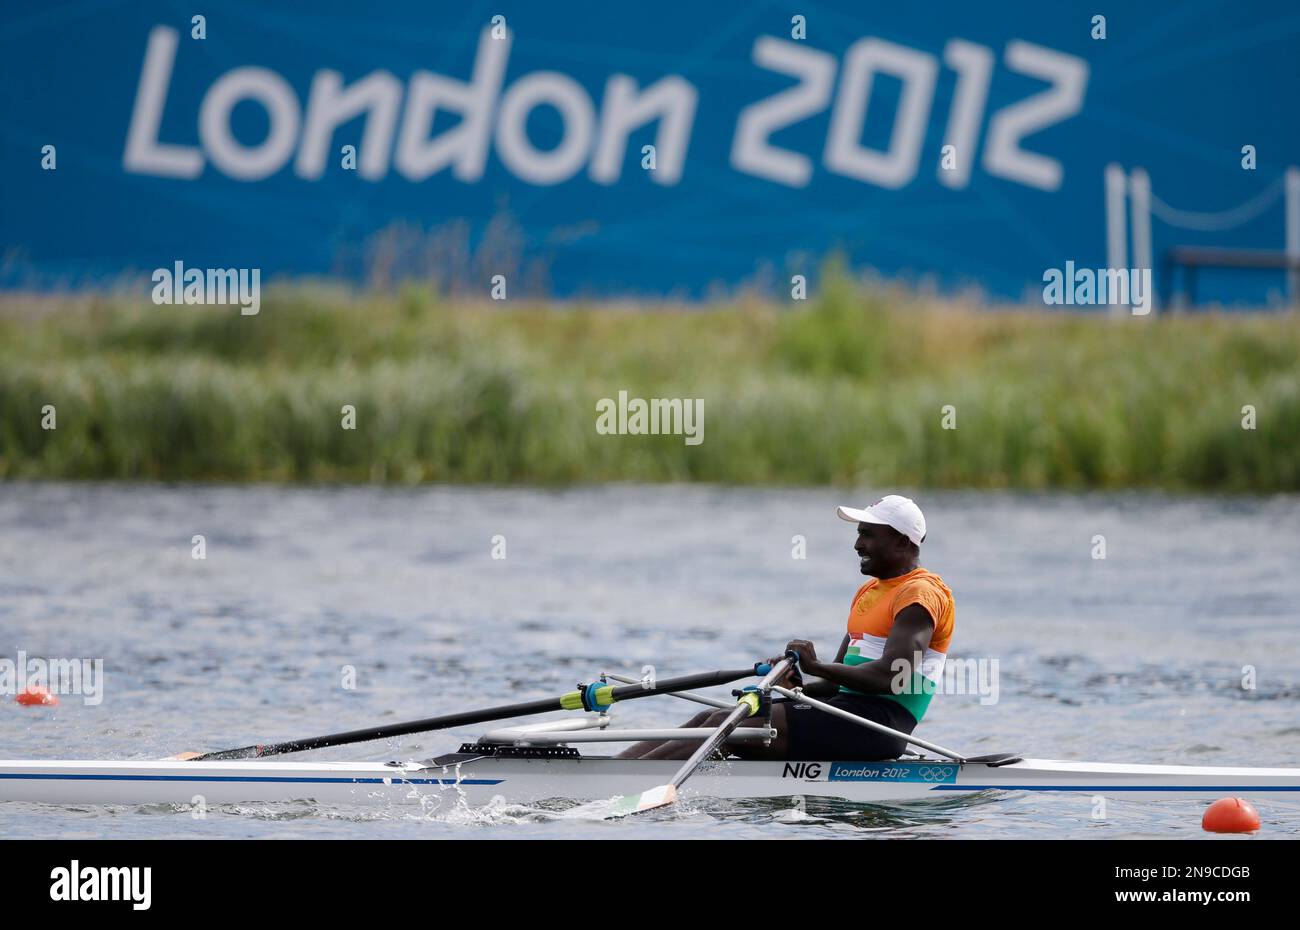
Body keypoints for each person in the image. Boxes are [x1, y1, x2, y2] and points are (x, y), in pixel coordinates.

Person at [618, 495, 955, 761]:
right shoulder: (871, 591)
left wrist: (818, 666)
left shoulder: (920, 595)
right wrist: (798, 685)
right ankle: (615, 771)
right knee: (713, 716)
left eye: (867, 534)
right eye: (858, 534)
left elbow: (893, 678)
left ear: (900, 542)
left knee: (737, 727)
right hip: (849, 712)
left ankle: (623, 784)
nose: (857, 545)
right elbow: (835, 687)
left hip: (880, 724)